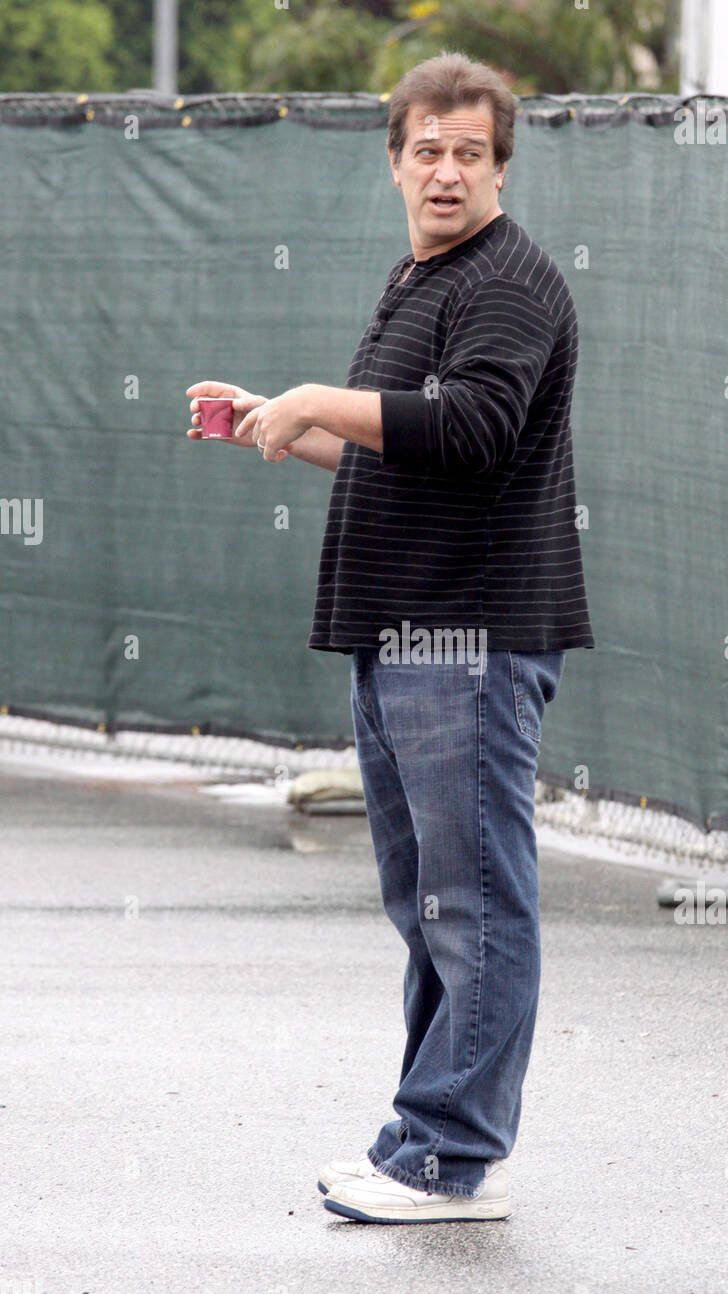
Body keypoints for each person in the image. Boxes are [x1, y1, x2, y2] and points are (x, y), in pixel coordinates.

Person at [186, 50, 594, 1224]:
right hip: (401, 638)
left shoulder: (505, 282)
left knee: (471, 904)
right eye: (429, 149)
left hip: (465, 643)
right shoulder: (421, 277)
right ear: (394, 161)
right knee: (429, 904)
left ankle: (449, 1161)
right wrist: (278, 420)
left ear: (500, 167)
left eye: (471, 152)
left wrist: (320, 398)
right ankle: (426, 1137)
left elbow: (468, 430)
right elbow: (395, 443)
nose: (448, 170)